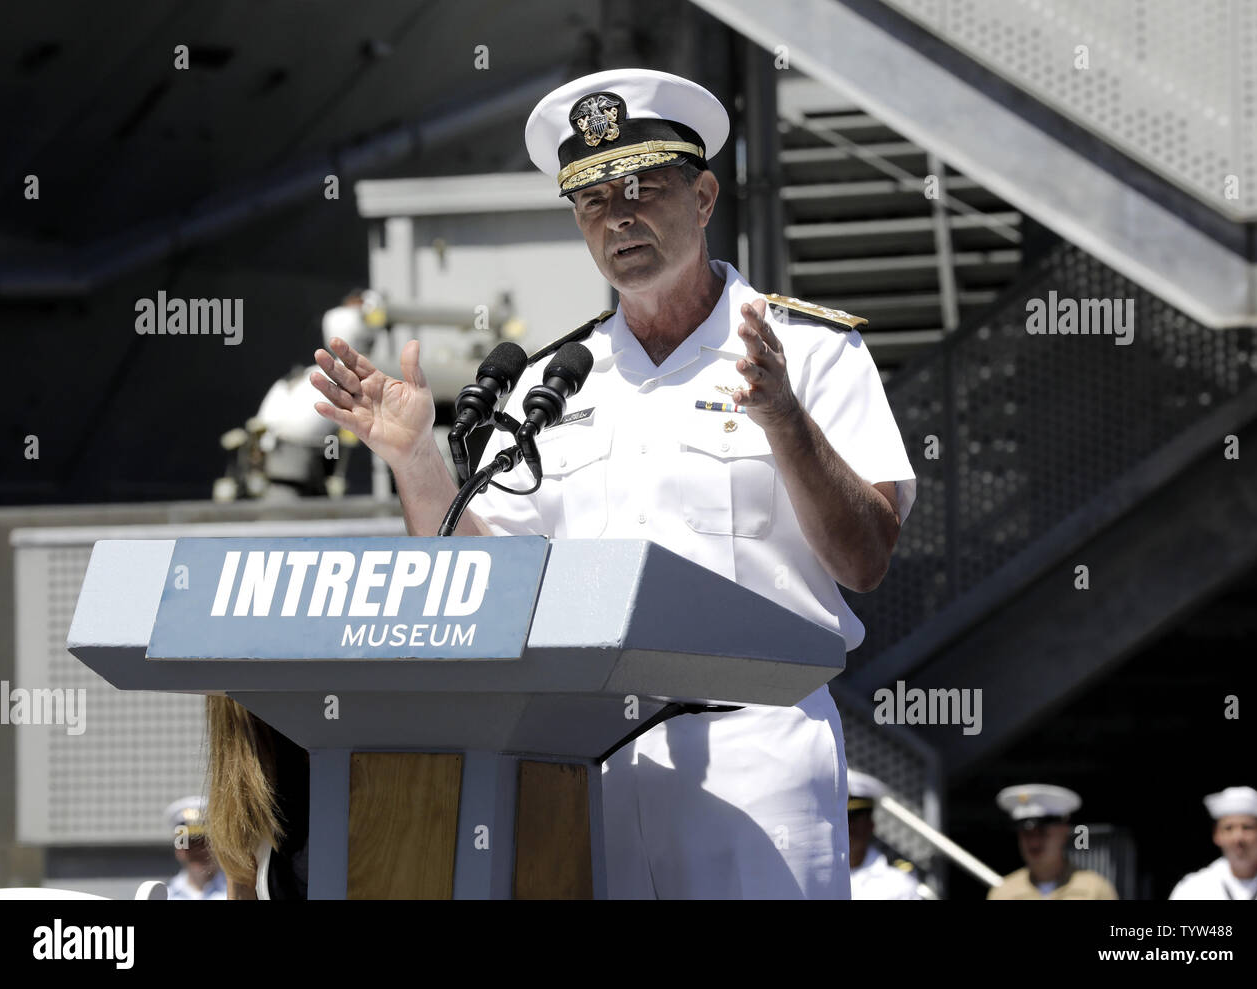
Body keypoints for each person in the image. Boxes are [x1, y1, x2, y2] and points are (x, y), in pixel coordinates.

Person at [310, 68, 916, 899]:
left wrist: (783, 418)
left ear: (703, 198)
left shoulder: (809, 353)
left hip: (757, 750)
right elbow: (488, 590)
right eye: (593, 201)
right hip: (587, 756)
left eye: (641, 187)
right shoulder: (553, 383)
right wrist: (415, 457)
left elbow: (866, 555)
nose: (618, 217)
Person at [987, 784, 1117, 900]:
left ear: (1063, 831)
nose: (1034, 842)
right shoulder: (1003, 894)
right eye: (1026, 834)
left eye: (1042, 832)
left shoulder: (1095, 890)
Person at [1169, 786, 1257, 900]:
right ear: (1216, 835)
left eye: (1247, 827)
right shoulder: (1193, 888)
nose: (1238, 838)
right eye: (1228, 828)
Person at [847, 769, 922, 900]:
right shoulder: (813, 876)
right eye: (842, 819)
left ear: (870, 825)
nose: (848, 826)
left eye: (854, 818)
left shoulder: (898, 882)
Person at [164, 796, 227, 900]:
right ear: (179, 849)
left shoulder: (241, 893)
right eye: (190, 842)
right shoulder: (165, 895)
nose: (199, 850)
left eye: (205, 842)